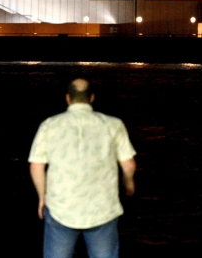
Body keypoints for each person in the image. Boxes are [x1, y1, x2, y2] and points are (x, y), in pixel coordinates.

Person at [29, 79, 137, 258]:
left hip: (61, 208)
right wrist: (129, 186)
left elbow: (36, 165)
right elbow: (128, 164)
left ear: (68, 98)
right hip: (103, 209)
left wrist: (42, 197)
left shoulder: (50, 125)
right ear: (92, 98)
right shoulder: (113, 124)